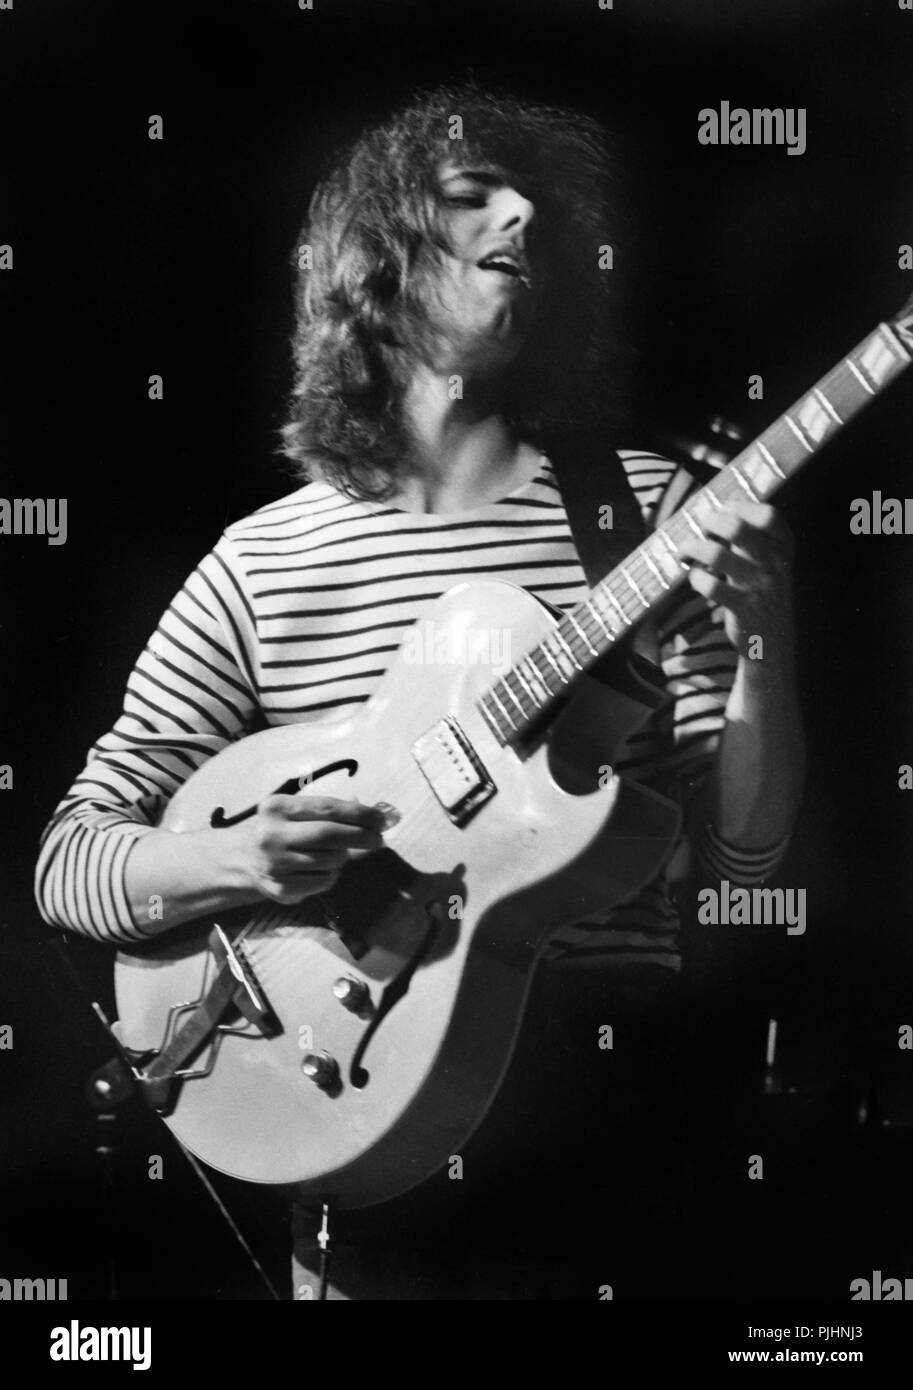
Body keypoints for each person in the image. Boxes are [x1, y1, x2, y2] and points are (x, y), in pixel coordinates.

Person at [35, 83, 805, 1299]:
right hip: (368, 1149)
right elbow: (72, 859)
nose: (521, 220)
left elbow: (747, 862)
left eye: (536, 207)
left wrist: (763, 639)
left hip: (622, 1151)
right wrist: (241, 866)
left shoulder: (641, 515)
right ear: (375, 264)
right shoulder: (263, 562)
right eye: (470, 196)